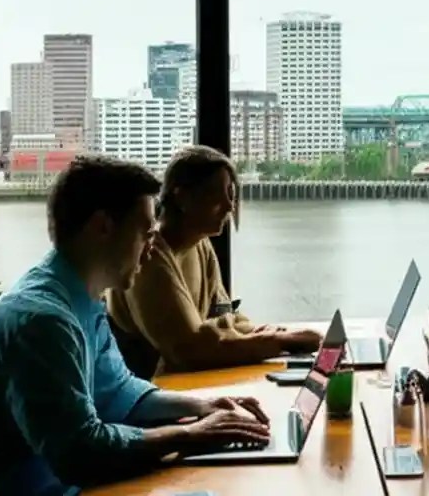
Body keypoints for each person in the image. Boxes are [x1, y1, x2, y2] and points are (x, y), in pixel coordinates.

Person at [0, 156, 272, 496]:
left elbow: (119, 391)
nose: (150, 249)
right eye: (145, 233)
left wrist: (203, 407)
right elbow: (82, 453)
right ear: (102, 227)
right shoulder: (41, 322)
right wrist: (192, 435)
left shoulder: (82, 301)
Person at [106, 145, 322, 375]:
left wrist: (274, 331)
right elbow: (190, 351)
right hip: (150, 394)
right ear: (182, 197)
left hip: (188, 385)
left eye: (231, 193)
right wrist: (281, 341)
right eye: (217, 194)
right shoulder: (147, 257)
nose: (229, 205)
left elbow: (225, 317)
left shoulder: (201, 245)